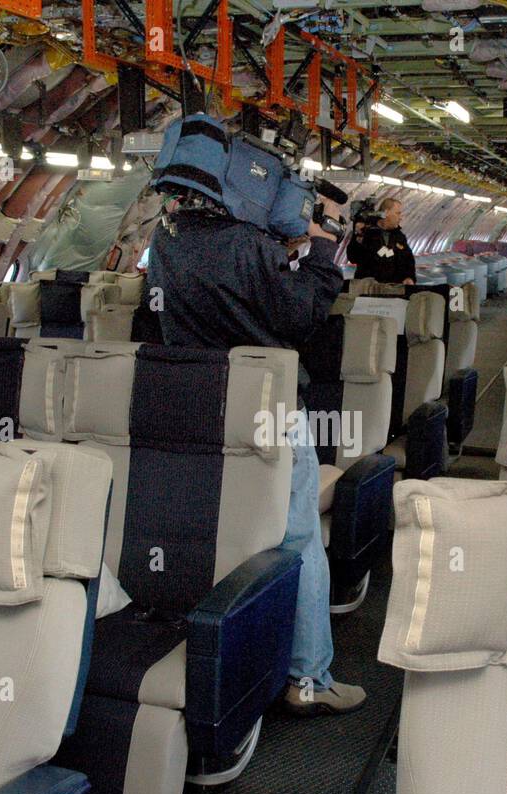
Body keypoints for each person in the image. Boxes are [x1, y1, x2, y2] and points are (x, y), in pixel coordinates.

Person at [140, 175, 366, 717]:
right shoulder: (248, 244)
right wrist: (325, 247)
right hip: (270, 408)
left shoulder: (165, 237)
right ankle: (307, 677)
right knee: (298, 536)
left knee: (221, 532)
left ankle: (225, 642)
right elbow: (303, 314)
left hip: (200, 404)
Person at [347, 197, 416, 284]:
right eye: (398, 213)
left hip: (392, 289)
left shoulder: (399, 237)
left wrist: (409, 277)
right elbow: (353, 257)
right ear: (386, 212)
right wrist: (358, 238)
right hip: (368, 289)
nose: (400, 217)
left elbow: (408, 260)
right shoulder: (366, 232)